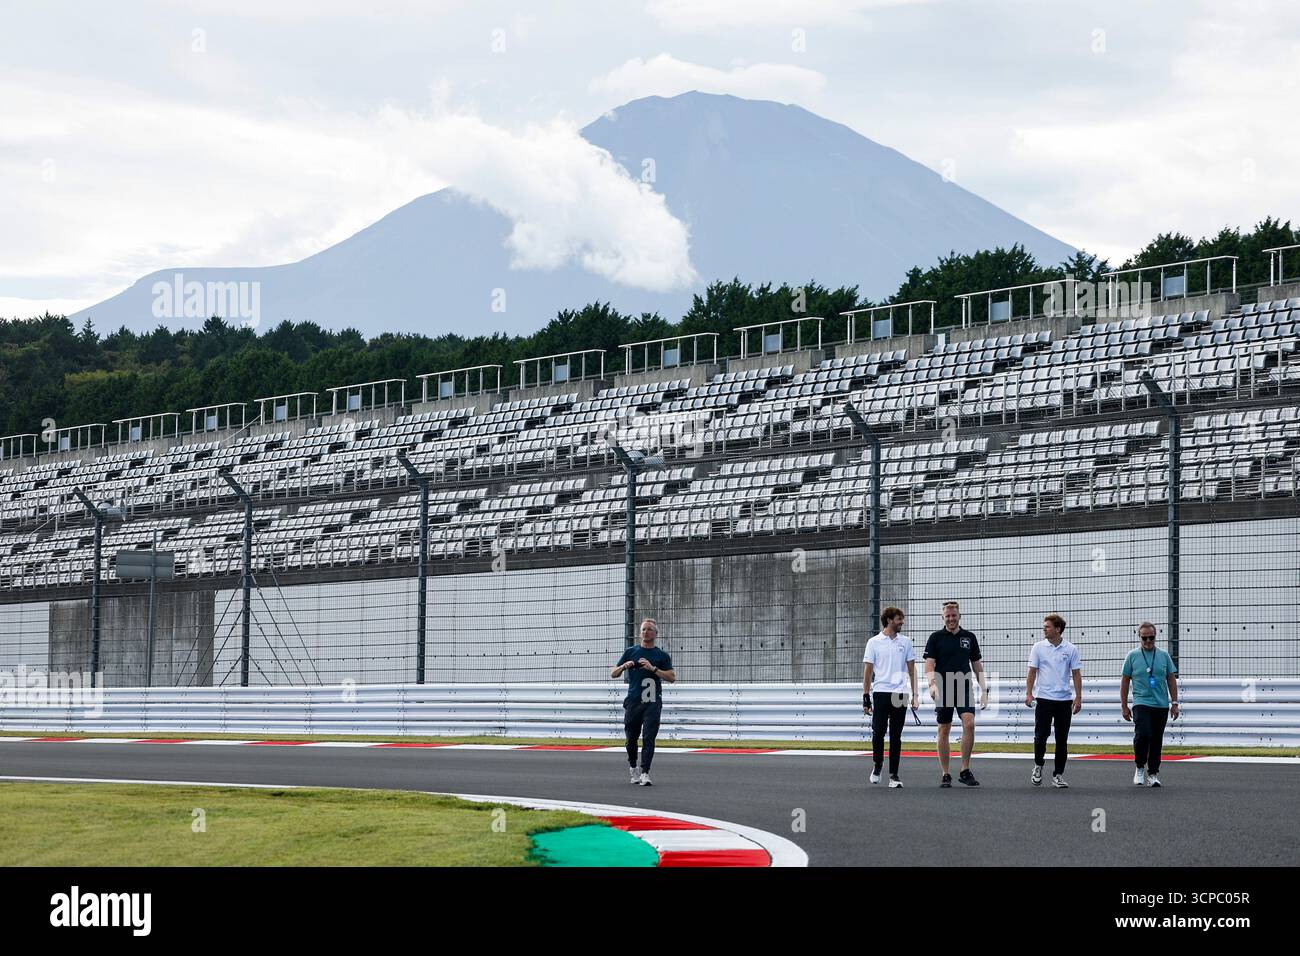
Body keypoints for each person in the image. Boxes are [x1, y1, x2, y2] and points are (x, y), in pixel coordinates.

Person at [924, 601, 987, 787]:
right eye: (948, 616)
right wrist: (932, 684)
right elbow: (929, 664)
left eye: (954, 615)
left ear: (959, 616)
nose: (951, 619)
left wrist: (984, 690)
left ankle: (965, 770)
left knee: (969, 723)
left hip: (963, 686)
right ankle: (945, 773)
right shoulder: (935, 637)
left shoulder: (969, 637)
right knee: (944, 728)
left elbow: (976, 665)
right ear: (943, 618)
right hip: (943, 686)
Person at [611, 618, 676, 786]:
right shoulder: (631, 651)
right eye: (643, 629)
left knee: (649, 738)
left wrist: (653, 668)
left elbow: (672, 677)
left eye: (649, 629)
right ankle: (633, 767)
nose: (645, 632)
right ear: (640, 633)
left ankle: (645, 772)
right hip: (633, 702)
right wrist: (624, 666)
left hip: (653, 702)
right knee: (631, 739)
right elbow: (613, 673)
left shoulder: (661, 655)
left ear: (655, 634)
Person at [863, 606, 919, 788]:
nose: (902, 622)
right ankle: (878, 764)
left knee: (896, 735)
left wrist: (915, 695)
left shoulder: (906, 642)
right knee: (878, 732)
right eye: (898, 619)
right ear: (889, 620)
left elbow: (912, 670)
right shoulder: (873, 642)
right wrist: (866, 696)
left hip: (901, 693)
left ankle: (894, 775)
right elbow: (868, 671)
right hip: (880, 692)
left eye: (902, 619)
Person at [1025, 613, 1083, 788]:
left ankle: (1058, 774)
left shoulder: (1071, 649)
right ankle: (1038, 765)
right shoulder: (1038, 647)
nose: (1044, 629)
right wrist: (1029, 693)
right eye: (1044, 626)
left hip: (1064, 700)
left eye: (1047, 626)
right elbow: (1032, 671)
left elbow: (1076, 674)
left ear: (1058, 629)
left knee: (1062, 739)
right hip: (1043, 699)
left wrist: (1078, 697)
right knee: (1040, 736)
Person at [1120, 622, 1180, 787]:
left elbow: (1171, 679)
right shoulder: (1132, 656)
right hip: (1141, 702)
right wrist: (1124, 705)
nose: (1148, 641)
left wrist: (1174, 702)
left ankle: (1153, 773)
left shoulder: (1163, 655)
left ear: (1155, 636)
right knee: (1143, 734)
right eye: (1144, 638)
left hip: (1161, 705)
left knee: (1156, 739)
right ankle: (1139, 766)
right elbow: (1125, 681)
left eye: (1151, 637)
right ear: (1139, 637)